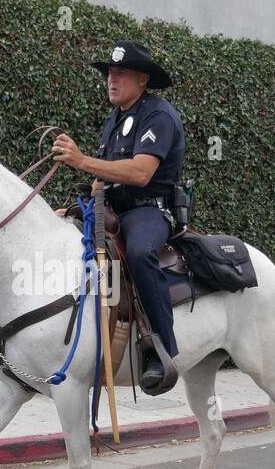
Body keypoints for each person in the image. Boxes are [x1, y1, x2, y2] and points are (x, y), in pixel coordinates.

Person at [51, 40, 186, 392]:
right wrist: (74, 208)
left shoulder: (159, 115)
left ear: (143, 79)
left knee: (140, 254)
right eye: (110, 73)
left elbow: (141, 172)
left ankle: (162, 350)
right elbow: (103, 178)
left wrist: (80, 160)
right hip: (112, 209)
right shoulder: (115, 120)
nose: (112, 80)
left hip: (148, 210)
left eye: (121, 74)